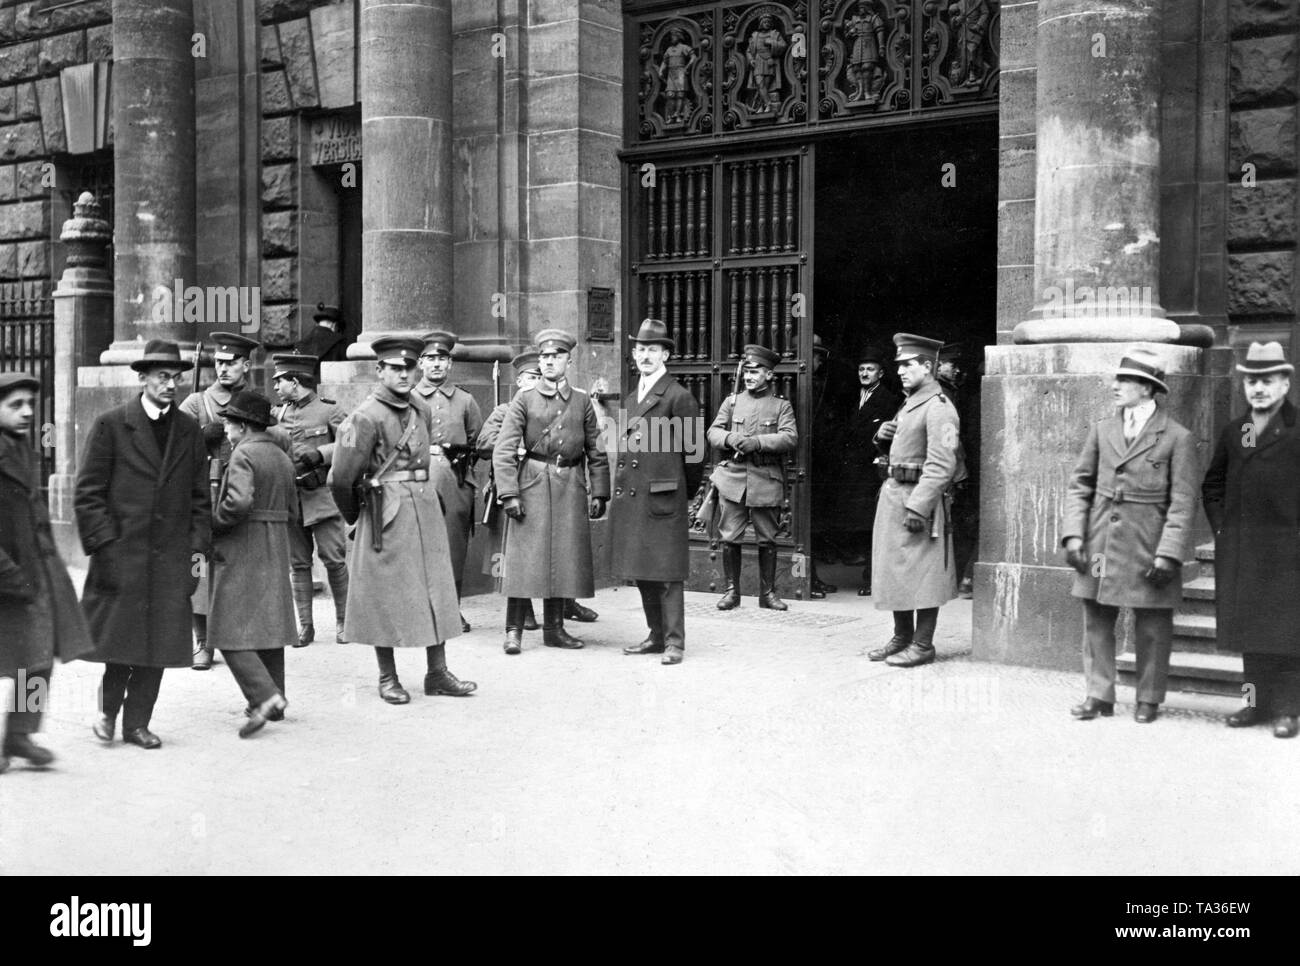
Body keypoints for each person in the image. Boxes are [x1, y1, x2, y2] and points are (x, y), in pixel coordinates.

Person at [76, 340, 211, 749]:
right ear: (142, 378)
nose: (170, 385)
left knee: (159, 646)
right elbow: (88, 494)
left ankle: (137, 724)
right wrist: (106, 549)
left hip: (171, 558)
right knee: (122, 643)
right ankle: (107, 712)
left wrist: (195, 557)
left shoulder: (188, 430)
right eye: (162, 377)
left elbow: (200, 501)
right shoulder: (112, 425)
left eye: (176, 378)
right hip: (124, 556)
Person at [328, 335, 475, 704]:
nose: (405, 373)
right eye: (395, 367)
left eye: (410, 366)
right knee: (385, 593)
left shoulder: (419, 409)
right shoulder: (363, 417)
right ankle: (387, 676)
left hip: (425, 507)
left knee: (435, 587)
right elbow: (340, 479)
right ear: (380, 370)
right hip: (386, 513)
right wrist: (359, 516)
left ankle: (437, 672)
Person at [1062, 347, 1198, 723]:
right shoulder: (1102, 430)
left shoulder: (1177, 437)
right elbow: (1080, 485)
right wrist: (1074, 535)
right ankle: (1099, 694)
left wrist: (1169, 553)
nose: (1115, 385)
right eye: (1118, 378)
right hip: (1100, 541)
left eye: (1125, 380)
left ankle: (1148, 698)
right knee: (1096, 615)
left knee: (1153, 622)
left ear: (1147, 388)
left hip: (1148, 542)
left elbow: (1183, 501)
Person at [1202, 341, 1300, 737]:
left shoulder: (1296, 429)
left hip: (1288, 554)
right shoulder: (1237, 431)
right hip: (1243, 553)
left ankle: (1288, 711)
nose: (1258, 389)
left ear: (1284, 385)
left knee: (1288, 636)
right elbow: (1213, 485)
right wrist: (1223, 530)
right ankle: (1254, 705)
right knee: (1250, 636)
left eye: (1266, 381)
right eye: (1252, 382)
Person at [493, 328, 610, 650]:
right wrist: (509, 493)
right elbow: (504, 449)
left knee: (563, 557)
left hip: (570, 484)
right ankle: (513, 630)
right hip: (531, 483)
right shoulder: (524, 399)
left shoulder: (582, 400)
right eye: (544, 356)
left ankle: (555, 630)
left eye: (556, 356)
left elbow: (596, 448)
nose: (548, 362)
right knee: (523, 559)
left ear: (568, 361)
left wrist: (600, 492)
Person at [0, 372, 94, 772]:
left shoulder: (23, 448)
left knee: (38, 658)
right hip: (7, 574)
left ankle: (20, 735)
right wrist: (10, 574)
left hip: (33, 572)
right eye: (15, 405)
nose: (26, 412)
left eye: (30, 405)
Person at [866, 333, 964, 668]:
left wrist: (919, 506)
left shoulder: (940, 407)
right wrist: (882, 438)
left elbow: (942, 464)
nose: (900, 371)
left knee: (924, 574)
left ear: (927, 366)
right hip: (895, 495)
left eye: (908, 365)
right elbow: (905, 446)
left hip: (918, 500)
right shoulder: (910, 403)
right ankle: (902, 636)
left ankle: (922, 644)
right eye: (899, 365)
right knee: (897, 571)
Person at [612, 319, 703, 665]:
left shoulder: (678, 396)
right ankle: (655, 635)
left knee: (667, 573)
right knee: (642, 570)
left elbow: (694, 454)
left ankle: (674, 642)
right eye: (640, 349)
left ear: (665, 354)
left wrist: (682, 492)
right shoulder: (631, 397)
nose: (645, 356)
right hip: (634, 498)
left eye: (652, 349)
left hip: (664, 497)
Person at [208, 390, 297, 737]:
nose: (226, 430)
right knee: (268, 624)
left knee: (226, 626)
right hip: (276, 542)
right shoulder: (281, 456)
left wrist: (215, 523)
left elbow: (238, 503)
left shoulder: (243, 454)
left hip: (244, 543)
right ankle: (277, 698)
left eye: (229, 423)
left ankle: (265, 697)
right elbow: (293, 509)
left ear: (243, 426)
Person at [179, 331, 259, 670]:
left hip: (243, 492)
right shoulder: (197, 403)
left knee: (242, 566)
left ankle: (240, 638)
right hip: (205, 495)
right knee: (200, 569)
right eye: (219, 362)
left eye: (231, 363)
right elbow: (171, 444)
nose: (223, 369)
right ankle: (202, 641)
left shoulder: (256, 400)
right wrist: (201, 436)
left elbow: (274, 438)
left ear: (246, 365)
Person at [705, 343, 797, 610]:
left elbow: (790, 437)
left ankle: (767, 594)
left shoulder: (781, 406)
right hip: (734, 479)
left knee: (767, 538)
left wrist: (758, 442)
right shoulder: (732, 402)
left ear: (769, 374)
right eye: (746, 371)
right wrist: (731, 438)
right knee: (729, 537)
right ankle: (731, 592)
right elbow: (713, 432)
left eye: (755, 371)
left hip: (766, 478)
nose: (748, 376)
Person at [271, 353, 349, 645]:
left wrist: (321, 454)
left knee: (334, 560)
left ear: (295, 382)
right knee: (299, 564)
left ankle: (344, 622)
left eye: (280, 381)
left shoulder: (330, 410)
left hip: (323, 498)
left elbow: (350, 443)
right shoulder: (278, 414)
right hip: (292, 500)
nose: (275, 387)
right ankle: (305, 626)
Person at [414, 330, 483, 633]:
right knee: (419, 543)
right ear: (420, 363)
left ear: (450, 364)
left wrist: (458, 466)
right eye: (430, 358)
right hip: (418, 478)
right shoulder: (410, 398)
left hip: (456, 480)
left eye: (442, 358)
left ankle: (452, 610)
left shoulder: (466, 400)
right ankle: (421, 610)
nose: (436, 364)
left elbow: (478, 442)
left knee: (454, 546)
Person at [477, 351, 543, 650]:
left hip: (538, 484)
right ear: (518, 381)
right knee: (511, 554)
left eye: (539, 377)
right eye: (530, 377)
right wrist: (512, 441)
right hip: (509, 484)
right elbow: (483, 443)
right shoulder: (504, 410)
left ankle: (564, 606)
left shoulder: (546, 409)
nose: (535, 383)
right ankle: (522, 611)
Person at [837, 346, 899, 596]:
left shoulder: (889, 400)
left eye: (870, 369)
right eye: (861, 369)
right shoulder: (853, 397)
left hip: (872, 471)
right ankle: (868, 575)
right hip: (852, 471)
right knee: (860, 524)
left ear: (880, 373)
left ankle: (874, 578)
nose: (864, 373)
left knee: (874, 524)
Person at [937, 342, 980, 596]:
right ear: (938, 365)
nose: (956, 370)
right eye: (952, 364)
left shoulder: (951, 391)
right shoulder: (941, 395)